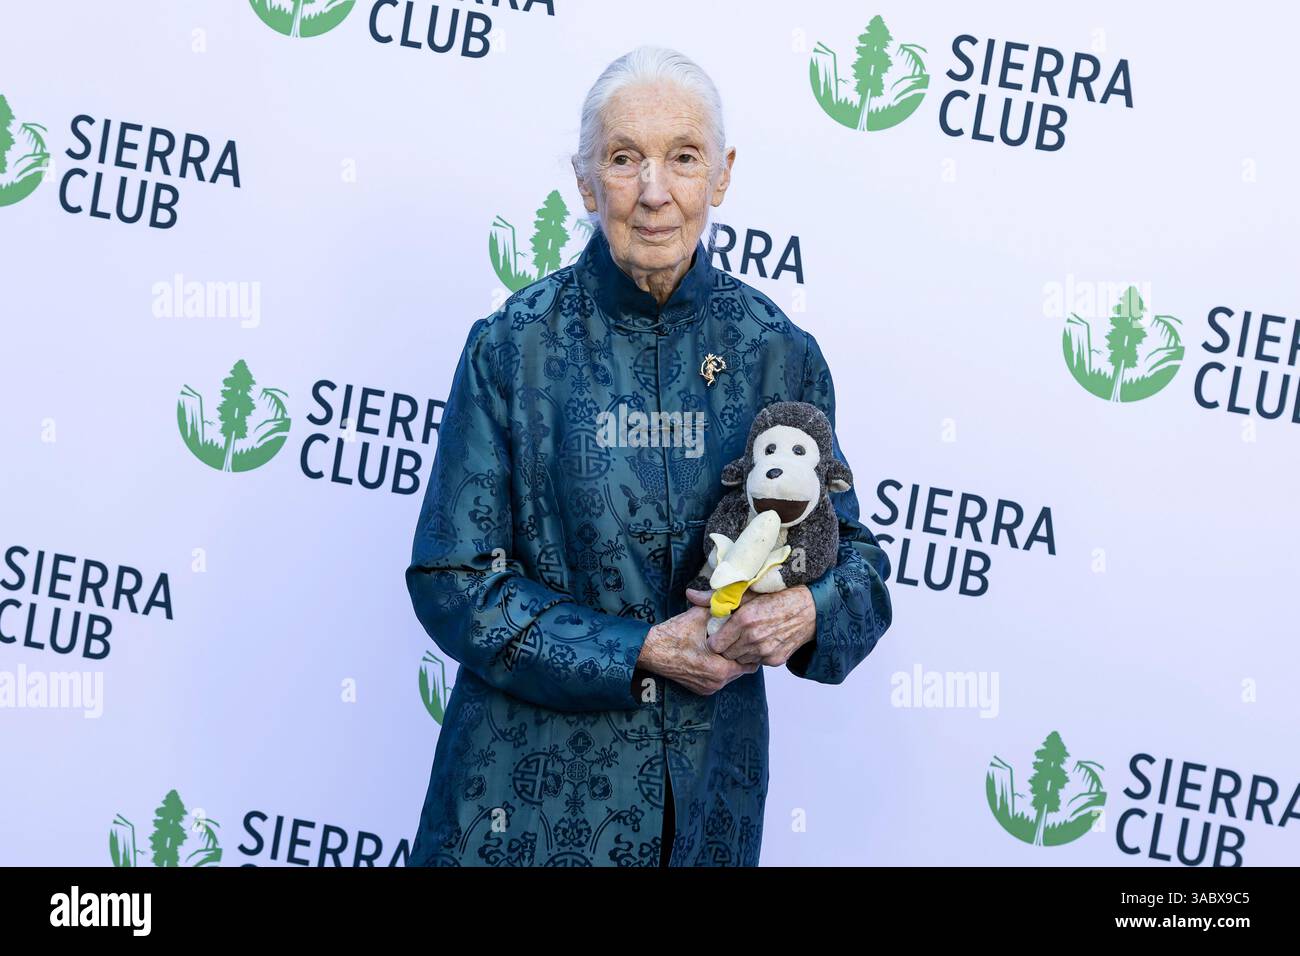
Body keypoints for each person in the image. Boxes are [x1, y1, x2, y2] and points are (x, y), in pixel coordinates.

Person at [405, 45, 892, 867]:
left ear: (723, 175)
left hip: (705, 810)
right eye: (625, 159)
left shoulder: (779, 353)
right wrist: (638, 650)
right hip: (520, 807)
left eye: (684, 158)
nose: (655, 191)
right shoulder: (513, 348)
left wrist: (804, 614)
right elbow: (453, 581)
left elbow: (860, 572)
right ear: (587, 181)